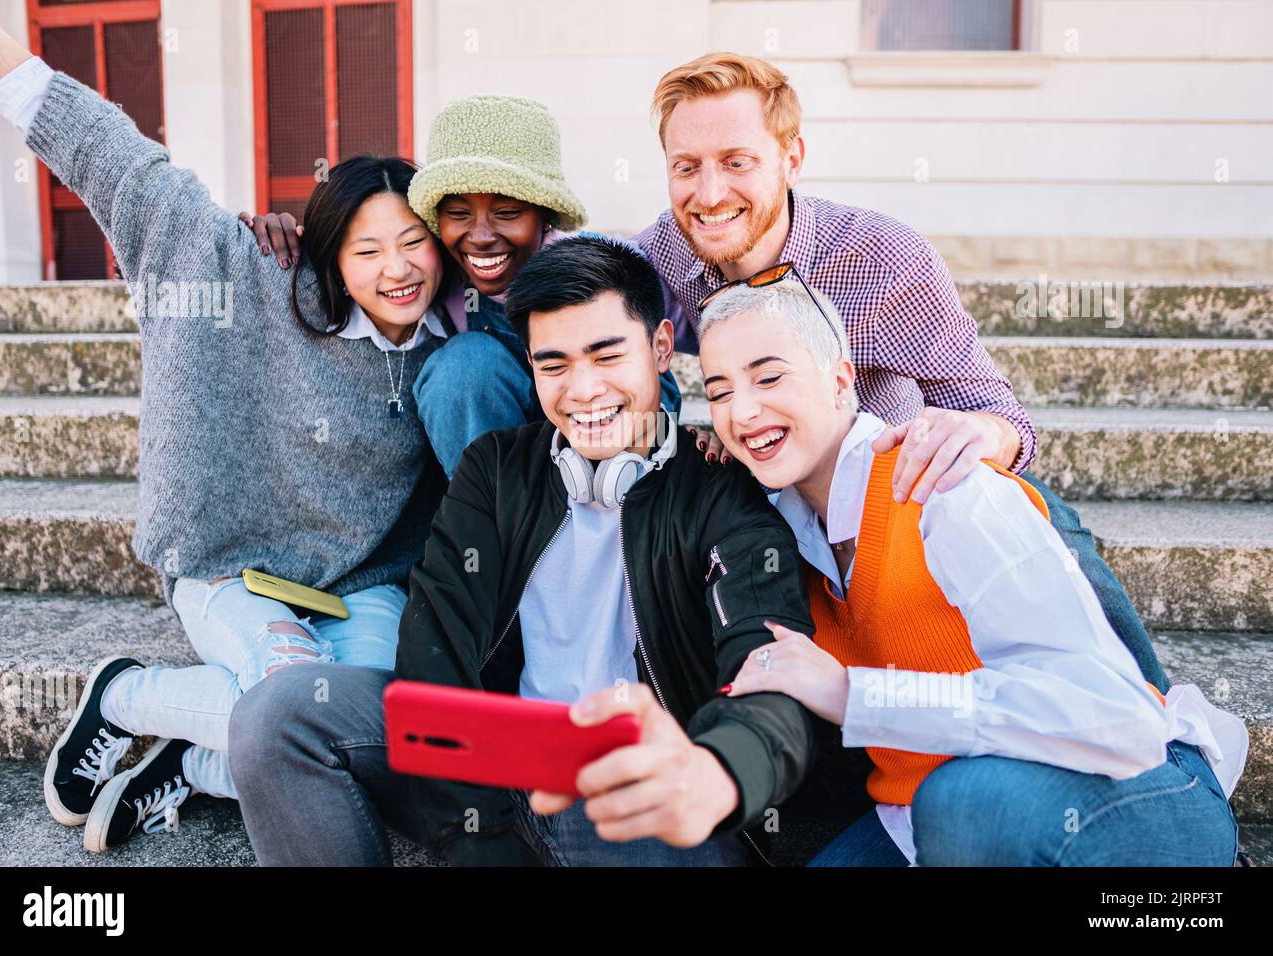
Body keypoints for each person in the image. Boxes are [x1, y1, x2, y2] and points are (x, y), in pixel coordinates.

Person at [0, 5, 452, 852]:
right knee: (293, 698)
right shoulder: (246, 276)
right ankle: (127, 696)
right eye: (368, 249)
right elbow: (117, 160)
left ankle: (190, 766)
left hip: (364, 579)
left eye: (413, 242)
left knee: (367, 722)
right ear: (328, 252)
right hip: (233, 566)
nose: (397, 268)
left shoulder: (452, 341)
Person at [227, 235, 823, 866]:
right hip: (504, 774)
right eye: (554, 364)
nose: (583, 390)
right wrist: (478, 836)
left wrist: (717, 771)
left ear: (660, 348)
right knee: (280, 713)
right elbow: (435, 652)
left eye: (605, 355)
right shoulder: (497, 470)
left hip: (651, 790)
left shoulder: (723, 494)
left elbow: (771, 678)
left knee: (628, 785)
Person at [631, 51, 1170, 693]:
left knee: (1044, 530)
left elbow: (999, 412)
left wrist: (983, 437)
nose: (710, 192)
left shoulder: (883, 261)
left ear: (791, 159)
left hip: (910, 499)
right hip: (781, 506)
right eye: (686, 168)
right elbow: (583, 305)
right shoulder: (666, 249)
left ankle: (1163, 753)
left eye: (737, 162)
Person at [695, 276, 1247, 866]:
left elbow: (1113, 716)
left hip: (1124, 787)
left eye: (769, 376)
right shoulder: (771, 528)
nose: (743, 410)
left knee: (964, 802)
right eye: (720, 391)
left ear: (839, 381)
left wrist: (851, 693)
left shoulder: (948, 487)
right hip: (920, 818)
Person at [244, 94, 683, 476]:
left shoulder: (597, 273)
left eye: (507, 212)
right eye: (458, 214)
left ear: (544, 215)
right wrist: (275, 236)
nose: (481, 236)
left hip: (612, 446)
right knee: (464, 369)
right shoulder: (436, 271)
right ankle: (496, 533)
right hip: (506, 480)